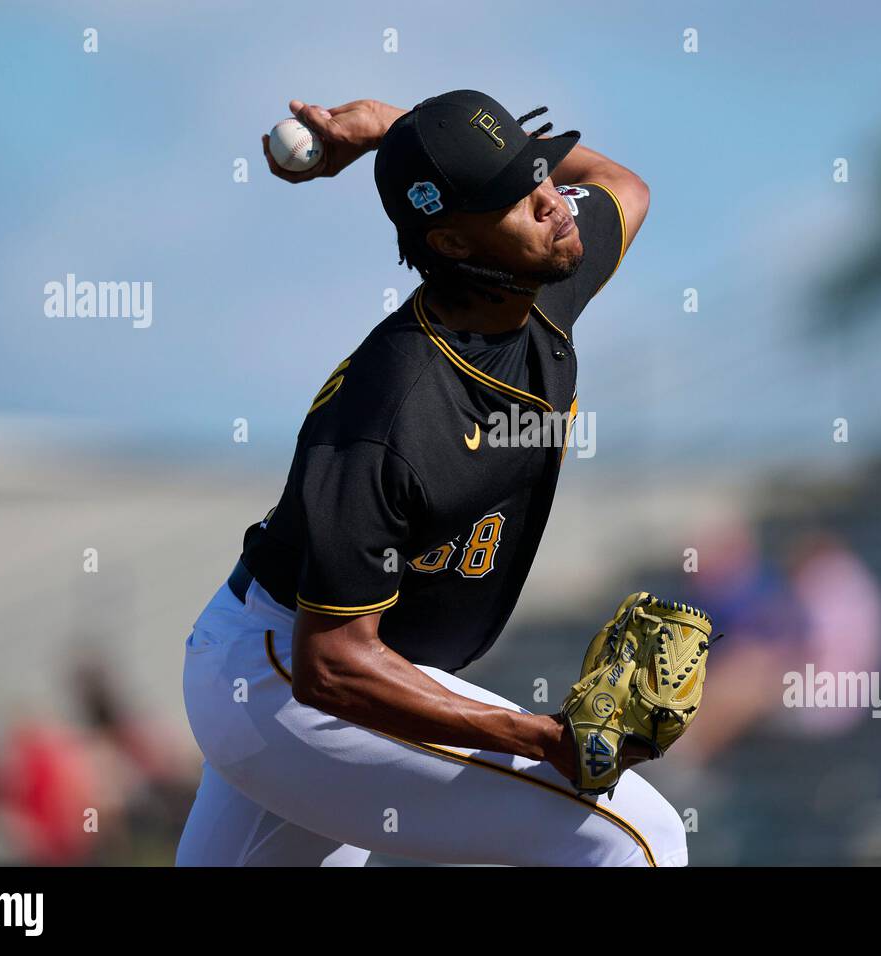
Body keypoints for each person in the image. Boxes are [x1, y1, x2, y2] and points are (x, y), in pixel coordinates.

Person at [176, 91, 686, 866]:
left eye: (540, 172)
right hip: (288, 681)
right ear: (452, 240)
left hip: (334, 675)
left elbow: (625, 184)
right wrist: (541, 738)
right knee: (635, 839)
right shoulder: (392, 412)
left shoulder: (539, 278)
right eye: (515, 195)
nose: (552, 201)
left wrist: (399, 130)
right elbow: (333, 664)